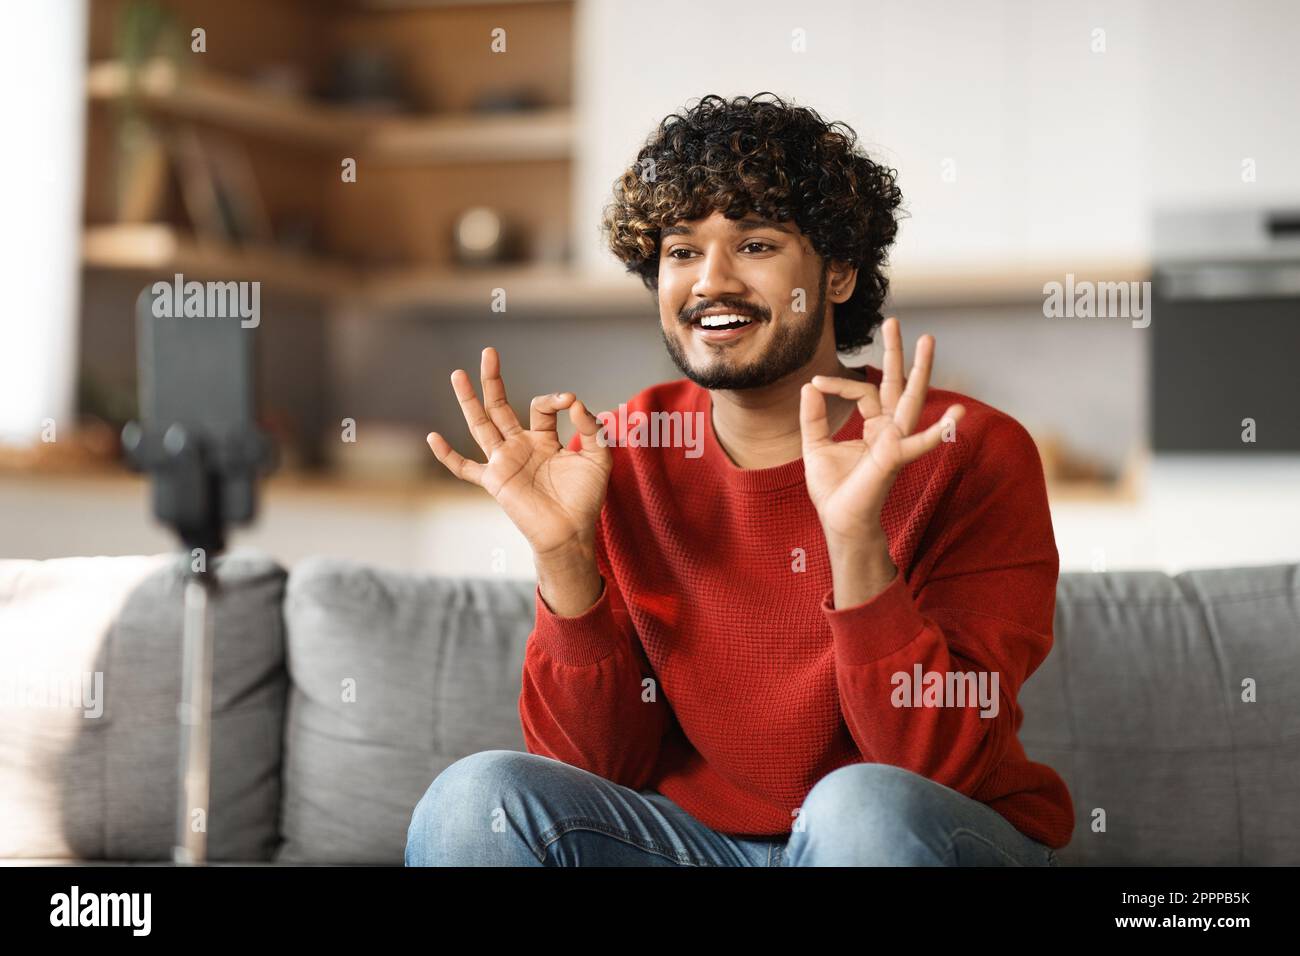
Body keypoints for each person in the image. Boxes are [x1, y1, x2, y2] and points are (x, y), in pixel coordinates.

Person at [405, 92, 1072, 866]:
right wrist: (565, 559)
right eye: (681, 251)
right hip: (695, 845)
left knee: (858, 808)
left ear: (839, 274)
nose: (709, 282)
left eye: (755, 244)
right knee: (473, 799)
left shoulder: (964, 449)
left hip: (910, 831)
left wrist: (856, 543)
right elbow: (594, 769)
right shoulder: (620, 454)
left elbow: (936, 767)